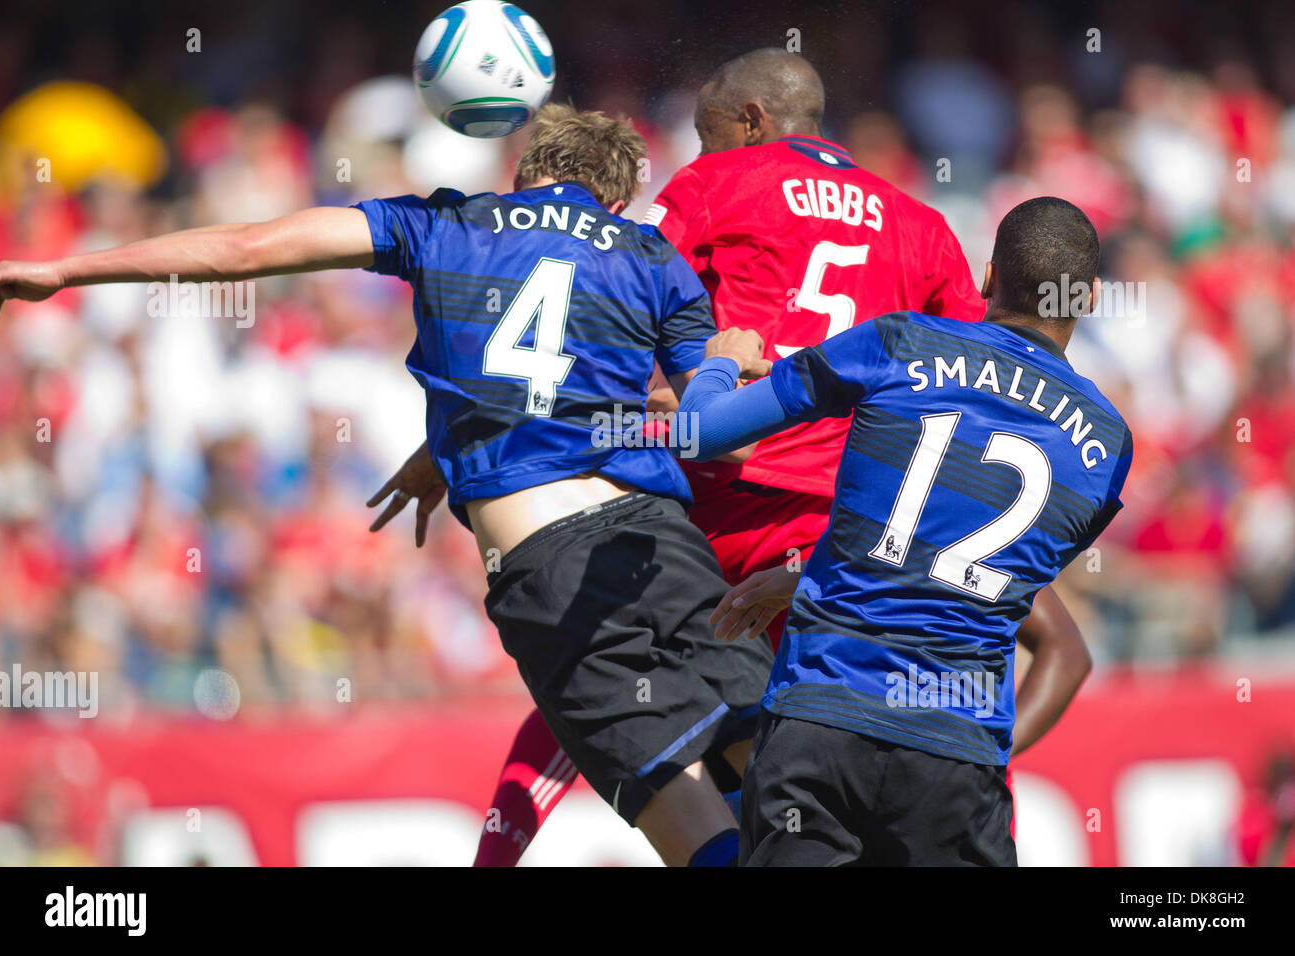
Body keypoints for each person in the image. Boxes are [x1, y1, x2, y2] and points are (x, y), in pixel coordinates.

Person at [0, 104, 775, 868]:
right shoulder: (648, 255)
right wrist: (721, 361)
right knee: (778, 793)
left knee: (686, 816)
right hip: (662, 546)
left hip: (551, 562)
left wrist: (66, 271)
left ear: (527, 172)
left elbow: (245, 248)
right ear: (613, 196)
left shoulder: (447, 224)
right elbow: (712, 435)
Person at [416, 47, 1089, 866]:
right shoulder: (925, 227)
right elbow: (979, 381)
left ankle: (499, 850)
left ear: (752, 122)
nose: (698, 157)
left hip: (716, 509)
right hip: (855, 530)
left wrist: (458, 428)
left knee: (606, 665)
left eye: (706, 137)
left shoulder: (714, 187)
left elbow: (593, 295)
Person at [678, 197, 1133, 865]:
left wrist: (720, 360)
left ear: (986, 276)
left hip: (822, 718)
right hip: (954, 754)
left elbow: (700, 433)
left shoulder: (898, 342)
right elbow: (981, 566)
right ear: (1088, 297)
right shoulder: (1108, 446)